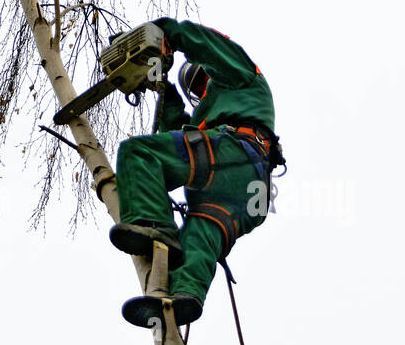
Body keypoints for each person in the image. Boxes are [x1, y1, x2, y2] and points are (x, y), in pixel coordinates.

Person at [111, 17, 282, 326]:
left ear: (210, 70)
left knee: (140, 152)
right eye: (195, 89)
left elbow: (208, 45)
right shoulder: (208, 119)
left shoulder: (240, 77)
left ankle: (153, 223)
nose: (202, 91)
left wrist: (167, 33)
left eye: (203, 82)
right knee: (202, 235)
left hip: (237, 155)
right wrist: (163, 87)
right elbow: (176, 133)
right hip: (249, 195)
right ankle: (183, 297)